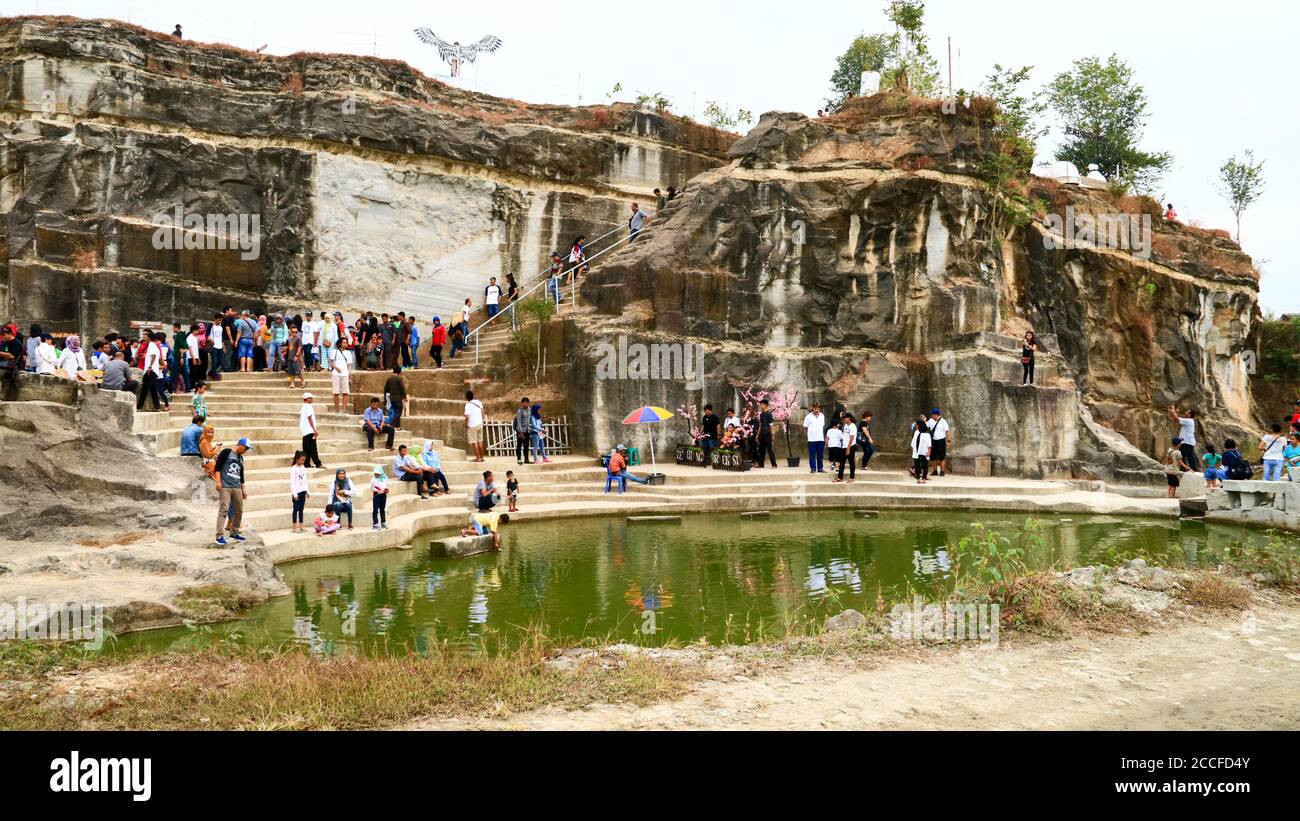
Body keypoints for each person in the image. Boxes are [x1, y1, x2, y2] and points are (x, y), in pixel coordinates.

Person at [213, 438, 252, 545]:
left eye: (247, 449)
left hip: (237, 486)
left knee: (239, 510)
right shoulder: (226, 452)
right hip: (225, 486)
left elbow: (241, 475)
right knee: (223, 509)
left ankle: (234, 532)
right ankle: (219, 536)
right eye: (245, 448)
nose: (246, 450)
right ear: (239, 444)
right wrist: (217, 481)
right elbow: (217, 467)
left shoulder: (241, 459)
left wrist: (243, 488)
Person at [138, 332, 169, 412]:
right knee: (153, 389)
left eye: (145, 335)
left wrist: (150, 367)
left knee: (144, 389)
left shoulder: (151, 345)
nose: (144, 337)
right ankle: (157, 407)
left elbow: (154, 356)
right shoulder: (154, 346)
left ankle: (139, 407)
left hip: (150, 370)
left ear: (149, 337)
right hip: (153, 371)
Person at [1167, 405, 1200, 470]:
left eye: (1187, 412)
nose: (1185, 413)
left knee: (1186, 456)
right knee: (1186, 457)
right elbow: (1175, 417)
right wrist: (1172, 411)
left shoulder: (1189, 421)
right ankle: (1188, 470)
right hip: (1187, 442)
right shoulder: (1188, 421)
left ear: (1190, 414)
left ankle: (1190, 470)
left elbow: (1176, 418)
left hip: (1187, 442)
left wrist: (1173, 410)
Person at [300, 392, 323, 469]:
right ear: (307, 399)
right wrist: (314, 430)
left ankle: (306, 464)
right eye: (311, 398)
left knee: (306, 449)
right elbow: (310, 418)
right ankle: (318, 463)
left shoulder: (303, 407)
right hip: (309, 430)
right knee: (313, 448)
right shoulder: (309, 406)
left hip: (304, 431)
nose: (312, 399)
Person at [0, 325, 23, 401]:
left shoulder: (17, 343)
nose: (3, 337)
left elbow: (11, 356)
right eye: (2, 335)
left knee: (12, 386)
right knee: (6, 384)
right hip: (3, 366)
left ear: (10, 333)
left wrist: (2, 354)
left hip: (11, 369)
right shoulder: (4, 343)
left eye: (4, 335)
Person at [289, 450, 310, 533]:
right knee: (296, 509)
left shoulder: (303, 467)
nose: (303, 461)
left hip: (303, 491)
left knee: (301, 509)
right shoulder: (293, 469)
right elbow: (292, 482)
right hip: (297, 492)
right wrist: (294, 494)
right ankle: (294, 527)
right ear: (297, 459)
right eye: (302, 459)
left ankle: (301, 526)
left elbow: (305, 480)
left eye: (304, 460)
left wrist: (307, 491)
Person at [926, 408, 951, 477]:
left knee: (941, 457)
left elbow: (947, 431)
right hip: (933, 441)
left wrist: (948, 441)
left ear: (936, 415)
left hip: (941, 440)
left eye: (932, 415)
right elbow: (925, 425)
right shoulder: (930, 421)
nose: (931, 416)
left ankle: (942, 471)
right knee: (933, 456)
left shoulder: (943, 421)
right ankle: (935, 470)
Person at [802, 403, 826, 474]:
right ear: (812, 408)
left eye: (818, 409)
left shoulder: (822, 415)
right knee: (812, 454)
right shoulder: (808, 416)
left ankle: (820, 468)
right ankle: (813, 468)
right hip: (812, 439)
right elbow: (805, 426)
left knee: (820, 454)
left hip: (820, 438)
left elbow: (822, 425)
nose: (817, 410)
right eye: (815, 409)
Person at [755, 399, 777, 468]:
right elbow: (760, 425)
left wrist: (772, 435)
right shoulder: (761, 415)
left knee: (769, 450)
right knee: (761, 450)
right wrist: (757, 435)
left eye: (761, 405)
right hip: (762, 435)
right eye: (760, 405)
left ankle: (774, 465)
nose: (760, 406)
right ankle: (761, 464)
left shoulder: (768, 414)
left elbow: (771, 425)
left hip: (767, 434)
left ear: (766, 405)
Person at [910, 414, 932, 484]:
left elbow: (929, 445)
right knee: (917, 465)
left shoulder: (927, 435)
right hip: (917, 451)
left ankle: (924, 477)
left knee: (925, 465)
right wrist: (914, 450)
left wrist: (929, 452)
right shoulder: (916, 433)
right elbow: (913, 442)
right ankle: (918, 478)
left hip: (924, 452)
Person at [465, 389, 486, 463]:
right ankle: (482, 457)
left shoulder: (468, 405)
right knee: (480, 441)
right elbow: (482, 411)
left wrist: (466, 425)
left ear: (466, 397)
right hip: (480, 424)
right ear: (473, 396)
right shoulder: (478, 402)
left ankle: (478, 458)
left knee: (474, 442)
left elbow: (467, 416)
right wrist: (482, 420)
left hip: (472, 425)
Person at [330, 342, 351, 415]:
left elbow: (349, 365)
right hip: (336, 374)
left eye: (346, 342)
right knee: (336, 393)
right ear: (340, 343)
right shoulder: (334, 351)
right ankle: (337, 410)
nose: (345, 344)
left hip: (345, 374)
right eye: (344, 342)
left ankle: (344, 411)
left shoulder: (348, 353)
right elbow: (331, 362)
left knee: (345, 393)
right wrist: (336, 368)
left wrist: (349, 376)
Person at [839, 412, 858, 482]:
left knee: (851, 462)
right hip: (844, 446)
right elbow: (845, 436)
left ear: (849, 418)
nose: (844, 420)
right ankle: (840, 477)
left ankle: (852, 478)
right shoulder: (845, 426)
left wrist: (848, 448)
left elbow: (852, 438)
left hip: (851, 446)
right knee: (842, 462)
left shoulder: (853, 426)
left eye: (845, 418)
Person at [513, 397, 533, 464]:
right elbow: (518, 421)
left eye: (525, 403)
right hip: (520, 430)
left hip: (527, 430)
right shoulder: (520, 411)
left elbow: (530, 420)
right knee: (519, 445)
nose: (524, 404)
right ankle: (519, 459)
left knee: (526, 446)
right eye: (522, 403)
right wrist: (520, 432)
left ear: (528, 403)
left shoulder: (530, 410)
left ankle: (526, 459)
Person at [826, 417, 845, 481]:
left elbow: (827, 438)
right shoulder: (840, 431)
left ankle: (832, 464)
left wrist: (826, 444)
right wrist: (843, 446)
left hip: (831, 446)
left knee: (831, 456)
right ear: (837, 424)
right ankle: (837, 468)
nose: (839, 425)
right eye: (839, 424)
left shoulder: (829, 430)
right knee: (838, 458)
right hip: (837, 446)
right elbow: (841, 439)